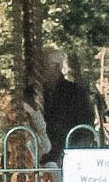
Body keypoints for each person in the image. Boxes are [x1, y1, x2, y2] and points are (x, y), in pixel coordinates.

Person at [39, 44, 97, 173]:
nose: (41, 71)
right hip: (45, 152)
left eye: (45, 67)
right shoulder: (36, 92)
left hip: (66, 149)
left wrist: (73, 150)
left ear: (57, 68)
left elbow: (85, 123)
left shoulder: (75, 92)